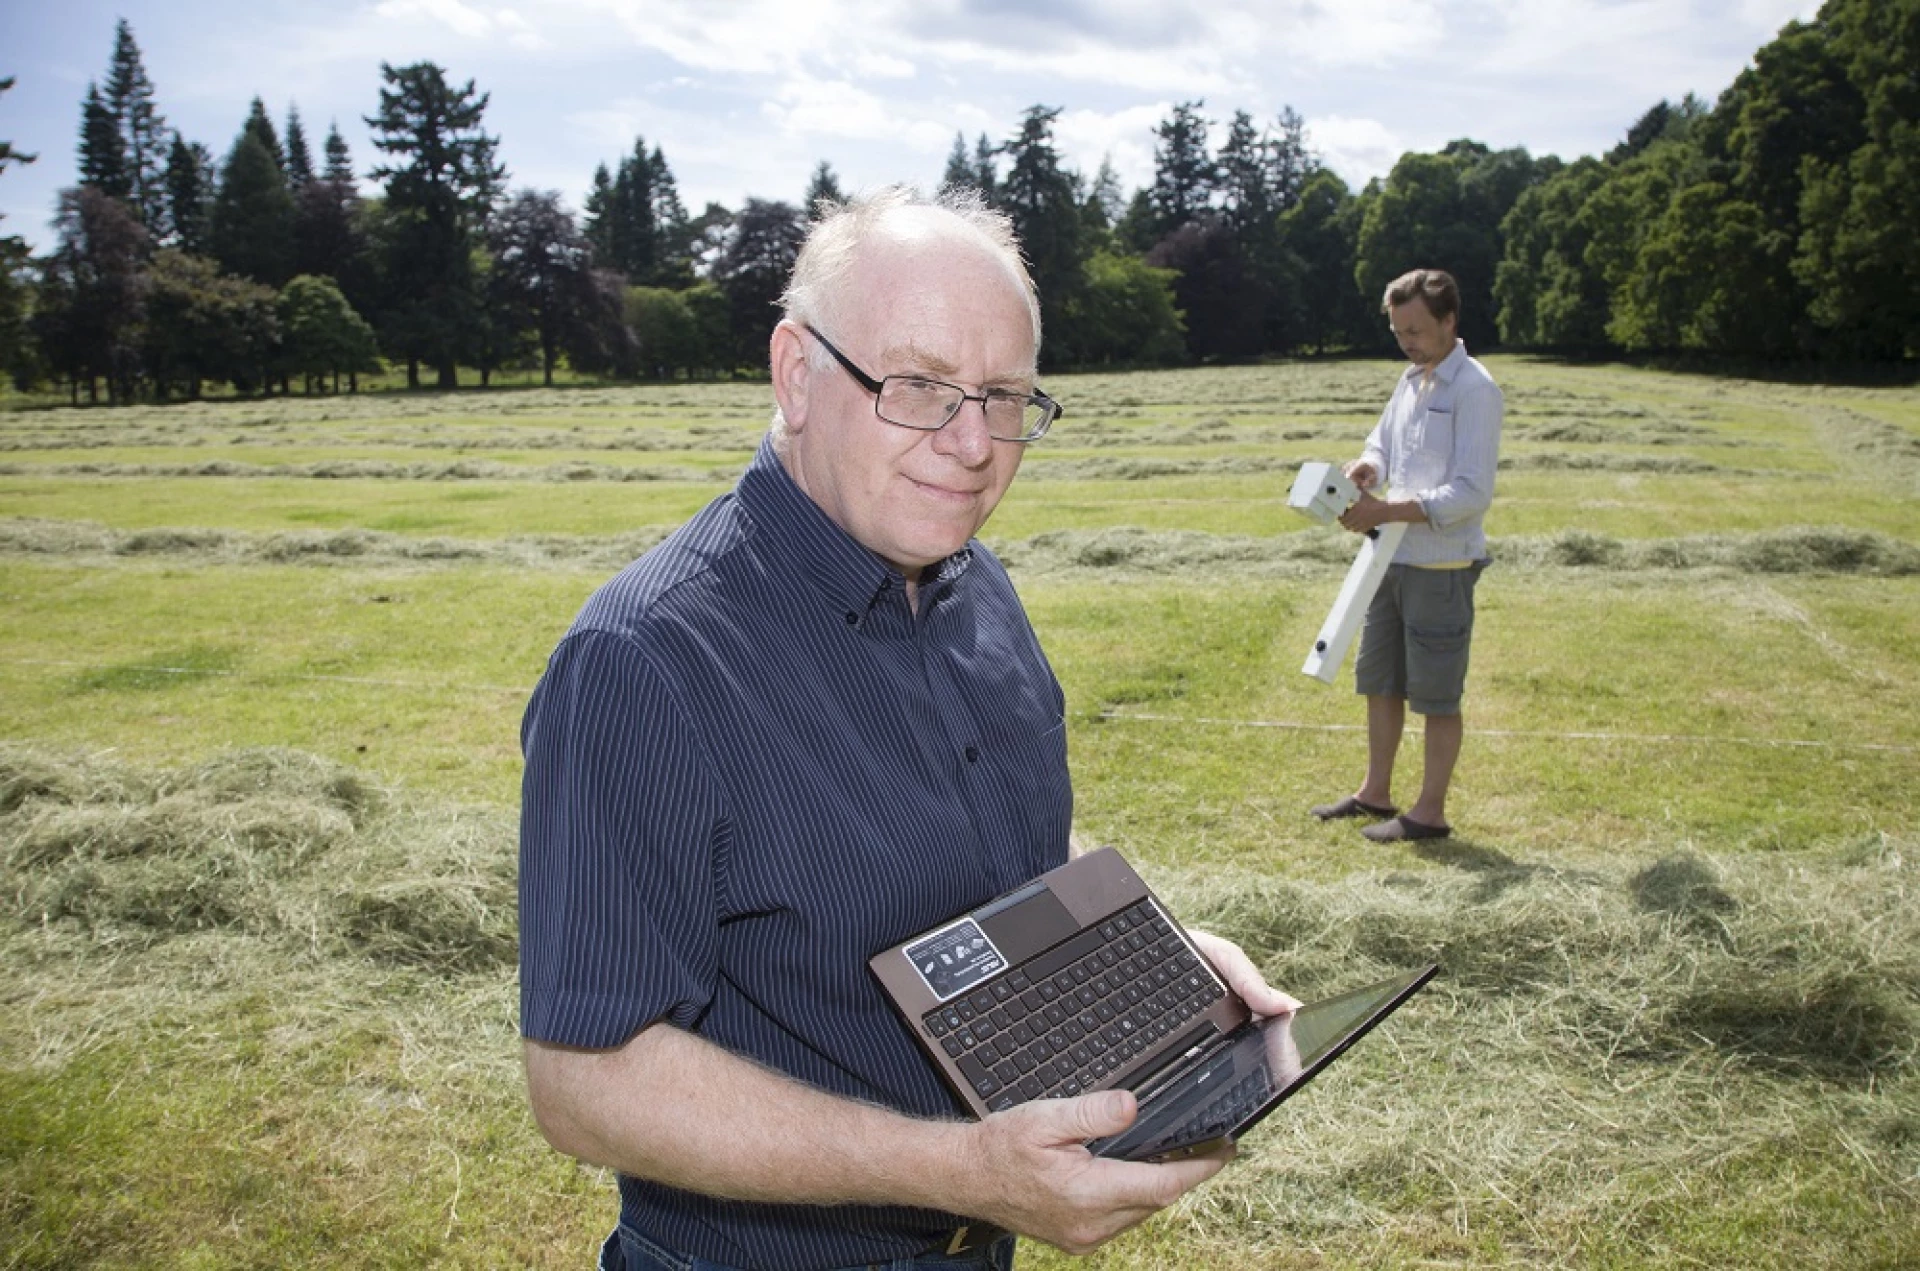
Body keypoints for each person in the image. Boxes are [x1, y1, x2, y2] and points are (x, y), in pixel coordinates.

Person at [518, 185, 1298, 1271]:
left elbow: (1002, 851)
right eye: (920, 385)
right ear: (797, 373)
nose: (972, 443)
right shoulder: (645, 663)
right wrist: (959, 1169)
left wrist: (1157, 957)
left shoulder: (972, 582)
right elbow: (587, 1081)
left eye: (1004, 395)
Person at [1311, 268, 1503, 843]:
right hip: (1391, 558)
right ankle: (1375, 792)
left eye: (1416, 331)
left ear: (1450, 321)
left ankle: (1430, 812)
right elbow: (1383, 444)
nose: (1408, 342)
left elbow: (1472, 493)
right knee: (1381, 681)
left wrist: (1385, 511)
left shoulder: (1475, 390)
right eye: (1399, 333)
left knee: (1436, 695)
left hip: (1441, 567)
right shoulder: (1411, 380)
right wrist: (1370, 468)